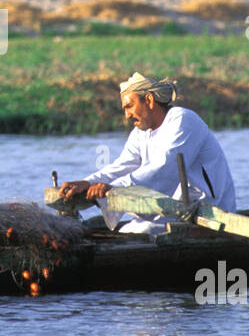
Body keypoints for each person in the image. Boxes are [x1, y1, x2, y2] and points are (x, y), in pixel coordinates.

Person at [58, 72, 236, 234]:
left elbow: (164, 168)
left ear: (149, 101)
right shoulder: (141, 133)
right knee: (128, 230)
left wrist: (114, 188)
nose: (127, 115)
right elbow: (123, 166)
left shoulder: (183, 120)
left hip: (207, 214)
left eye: (129, 106)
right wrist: (88, 183)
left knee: (140, 232)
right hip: (174, 213)